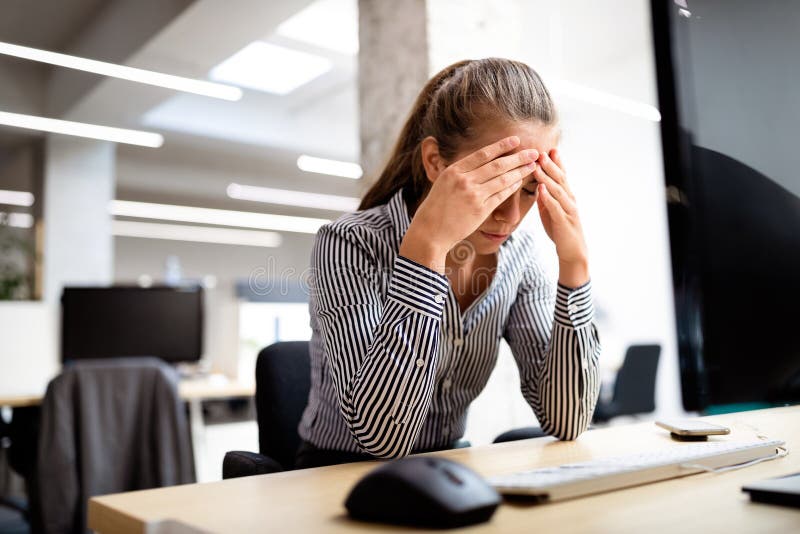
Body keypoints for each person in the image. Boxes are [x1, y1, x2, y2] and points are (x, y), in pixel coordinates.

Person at [296, 58, 601, 468]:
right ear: (436, 163)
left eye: (529, 189)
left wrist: (574, 264)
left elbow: (568, 420)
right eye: (496, 181)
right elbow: (382, 438)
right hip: (337, 471)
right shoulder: (348, 243)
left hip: (446, 469)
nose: (510, 215)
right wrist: (427, 248)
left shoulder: (521, 256)